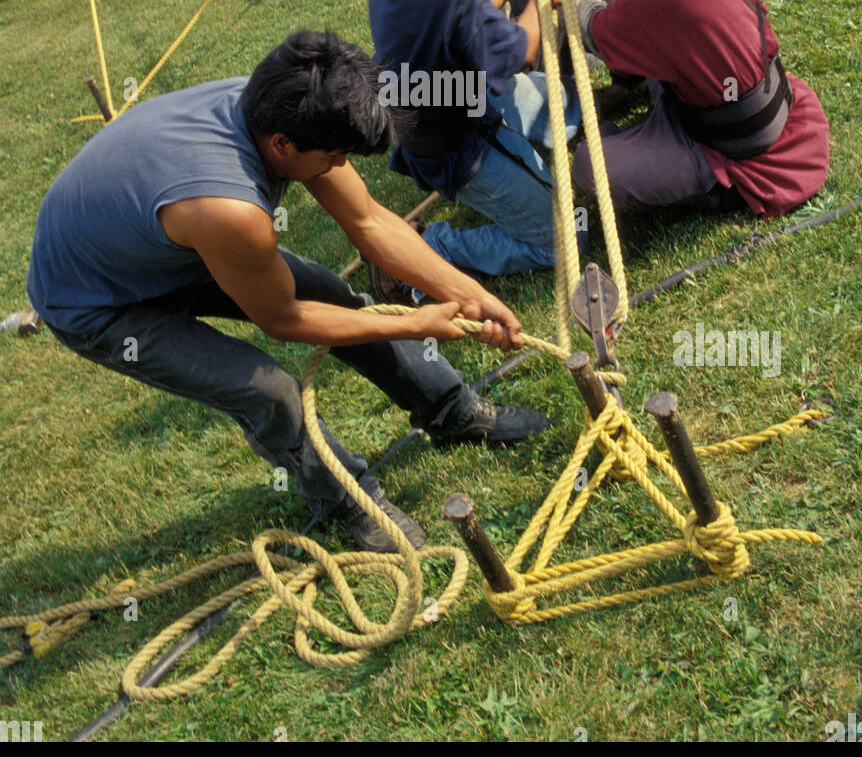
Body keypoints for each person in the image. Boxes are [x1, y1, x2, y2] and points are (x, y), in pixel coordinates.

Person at [27, 33, 551, 555]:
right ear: (282, 147)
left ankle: (451, 411)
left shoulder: (286, 108)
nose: (337, 166)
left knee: (331, 292)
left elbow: (369, 223)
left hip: (159, 243)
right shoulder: (230, 209)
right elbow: (287, 320)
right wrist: (418, 322)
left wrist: (468, 293)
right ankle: (347, 500)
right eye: (335, 156)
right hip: (101, 303)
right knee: (268, 390)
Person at [564, 0, 830, 216]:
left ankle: (720, 188)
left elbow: (595, 32)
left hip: (740, 153)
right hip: (767, 107)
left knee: (588, 164)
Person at [368, 0, 582, 282]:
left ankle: (584, 128)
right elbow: (518, 51)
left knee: (564, 102)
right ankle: (427, 249)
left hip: (445, 101)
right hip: (460, 140)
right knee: (565, 238)